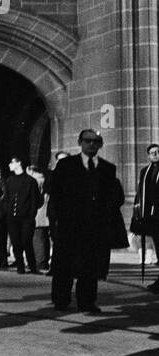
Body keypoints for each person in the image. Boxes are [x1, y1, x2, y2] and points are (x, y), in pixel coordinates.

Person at [49, 129, 125, 313]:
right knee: (64, 265)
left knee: (90, 266)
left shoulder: (107, 168)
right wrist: (60, 219)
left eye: (95, 141)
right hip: (70, 225)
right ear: (80, 142)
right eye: (87, 140)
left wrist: (104, 217)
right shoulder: (66, 165)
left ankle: (87, 301)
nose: (91, 144)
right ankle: (61, 300)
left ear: (100, 145)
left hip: (94, 227)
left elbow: (114, 196)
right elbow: (55, 193)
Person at [3, 155, 42, 274]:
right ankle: (20, 266)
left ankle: (32, 266)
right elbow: (7, 198)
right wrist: (8, 212)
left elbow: (36, 200)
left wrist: (31, 215)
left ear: (18, 163)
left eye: (12, 162)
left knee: (26, 241)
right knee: (16, 242)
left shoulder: (30, 181)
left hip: (26, 218)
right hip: (12, 217)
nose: (10, 165)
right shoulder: (10, 180)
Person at [133, 143, 159, 291]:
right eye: (151, 153)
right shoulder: (145, 171)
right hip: (151, 216)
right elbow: (140, 192)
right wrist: (138, 210)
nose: (155, 154)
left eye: (157, 152)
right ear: (148, 156)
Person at [29, 165, 52, 272]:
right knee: (43, 238)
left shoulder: (36, 180)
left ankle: (40, 262)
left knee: (38, 237)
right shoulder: (44, 178)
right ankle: (43, 261)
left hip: (39, 212)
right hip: (45, 211)